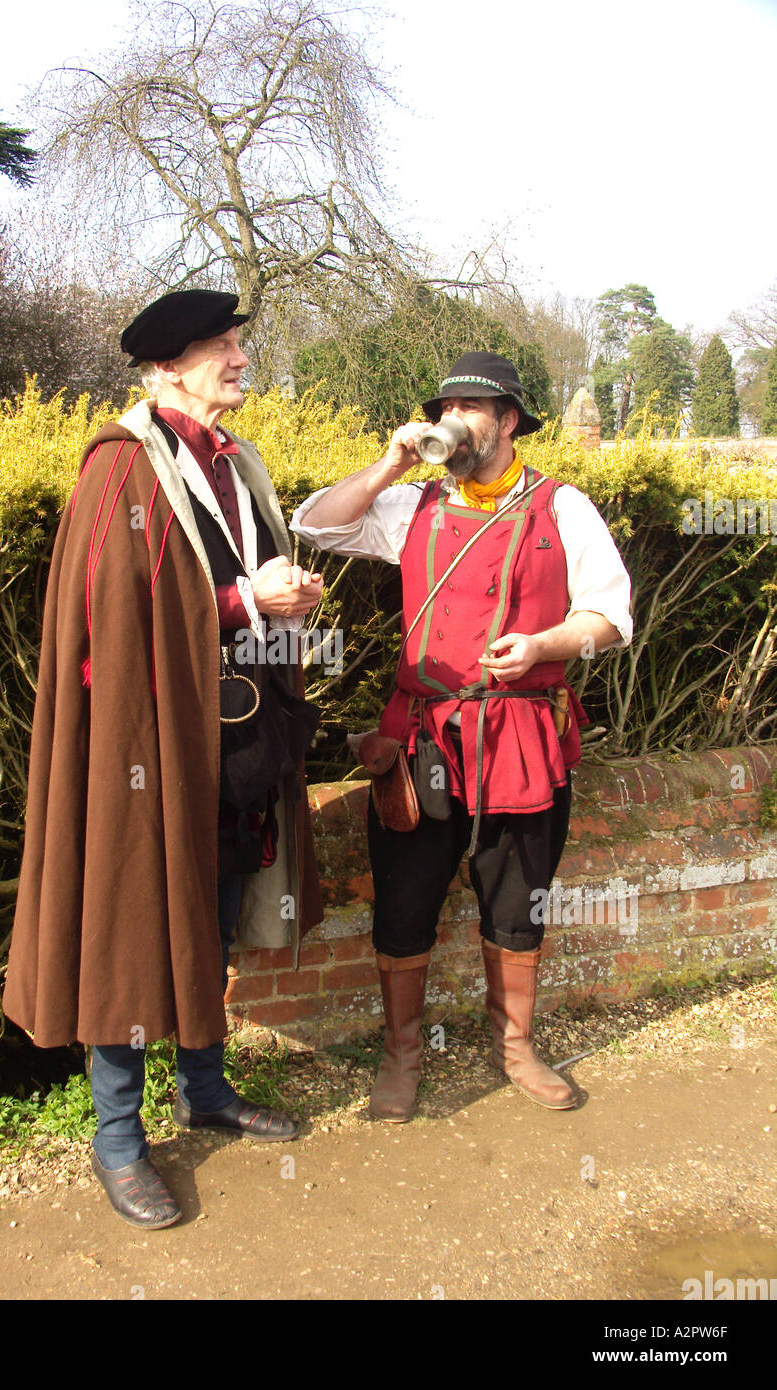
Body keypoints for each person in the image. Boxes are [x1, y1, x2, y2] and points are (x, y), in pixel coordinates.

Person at [3, 289, 324, 1228]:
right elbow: (109, 623)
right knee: (134, 924)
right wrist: (242, 605)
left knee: (212, 915)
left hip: (236, 739)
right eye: (218, 346)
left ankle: (206, 1091)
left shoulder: (238, 462)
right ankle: (117, 1142)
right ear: (165, 368)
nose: (237, 356)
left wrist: (282, 597)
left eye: (235, 341)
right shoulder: (122, 467)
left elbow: (235, 579)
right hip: (145, 747)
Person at [290, 352, 632, 1121]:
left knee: (516, 904)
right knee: (404, 904)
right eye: (445, 405)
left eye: (472, 407)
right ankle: (402, 1053)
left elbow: (611, 616)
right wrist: (387, 464)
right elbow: (312, 522)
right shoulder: (409, 504)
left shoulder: (562, 507)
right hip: (421, 740)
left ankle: (513, 1047)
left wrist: (544, 645)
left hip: (521, 736)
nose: (454, 419)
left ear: (508, 420)